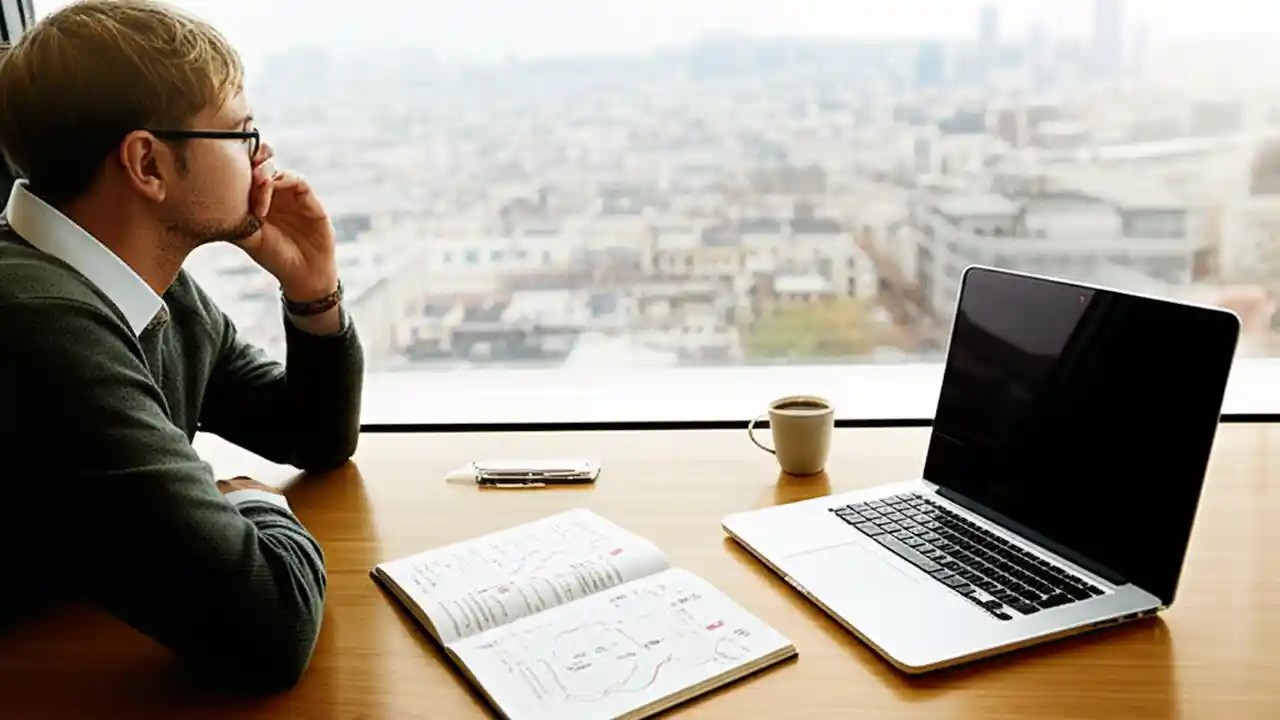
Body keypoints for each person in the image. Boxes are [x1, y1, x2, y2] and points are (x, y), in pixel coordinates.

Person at [0, 0, 363, 692]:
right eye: (240, 132)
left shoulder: (135, 280)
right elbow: (269, 626)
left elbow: (312, 433)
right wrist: (255, 503)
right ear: (147, 163)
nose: (263, 155)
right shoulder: (39, 326)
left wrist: (312, 290)